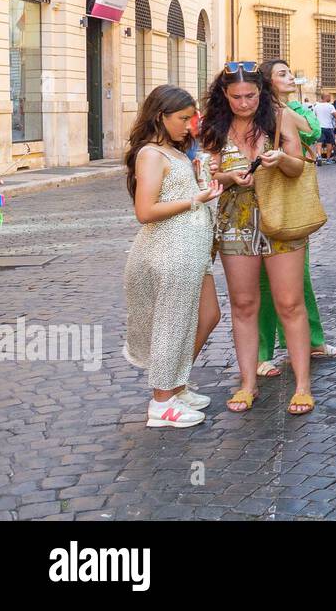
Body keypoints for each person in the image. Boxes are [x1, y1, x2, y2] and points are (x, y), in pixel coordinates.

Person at [203, 62, 314, 415]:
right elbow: (211, 173)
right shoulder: (216, 125)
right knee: (244, 304)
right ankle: (247, 382)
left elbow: (299, 166)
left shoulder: (279, 118)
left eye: (250, 95)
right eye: (236, 97)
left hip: (280, 218)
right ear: (225, 94)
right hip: (236, 220)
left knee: (289, 303)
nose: (244, 103)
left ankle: (302, 385)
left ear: (261, 93)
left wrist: (281, 157)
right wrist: (230, 177)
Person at [123, 85, 223, 428]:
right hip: (169, 249)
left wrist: (202, 181)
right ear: (159, 116)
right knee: (173, 323)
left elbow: (185, 191)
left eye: (191, 117)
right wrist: (195, 199)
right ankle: (162, 402)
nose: (190, 124)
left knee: (209, 315)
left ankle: (176, 386)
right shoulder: (150, 154)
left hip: (193, 249)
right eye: (182, 118)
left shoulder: (176, 152)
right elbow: (145, 210)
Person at [254, 60, 336, 378]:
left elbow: (313, 131)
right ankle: (263, 352)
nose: (291, 76)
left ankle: (310, 341)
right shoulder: (262, 113)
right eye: (282, 74)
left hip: (290, 196)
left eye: (291, 71)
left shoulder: (291, 109)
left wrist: (288, 104)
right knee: (263, 282)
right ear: (266, 82)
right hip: (264, 198)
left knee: (299, 277)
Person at [313, 95, 336, 165]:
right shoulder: (330, 106)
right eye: (329, 96)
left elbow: (313, 117)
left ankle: (319, 156)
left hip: (319, 127)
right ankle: (328, 159)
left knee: (319, 142)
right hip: (328, 127)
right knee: (329, 143)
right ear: (326, 97)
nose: (330, 98)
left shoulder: (316, 106)